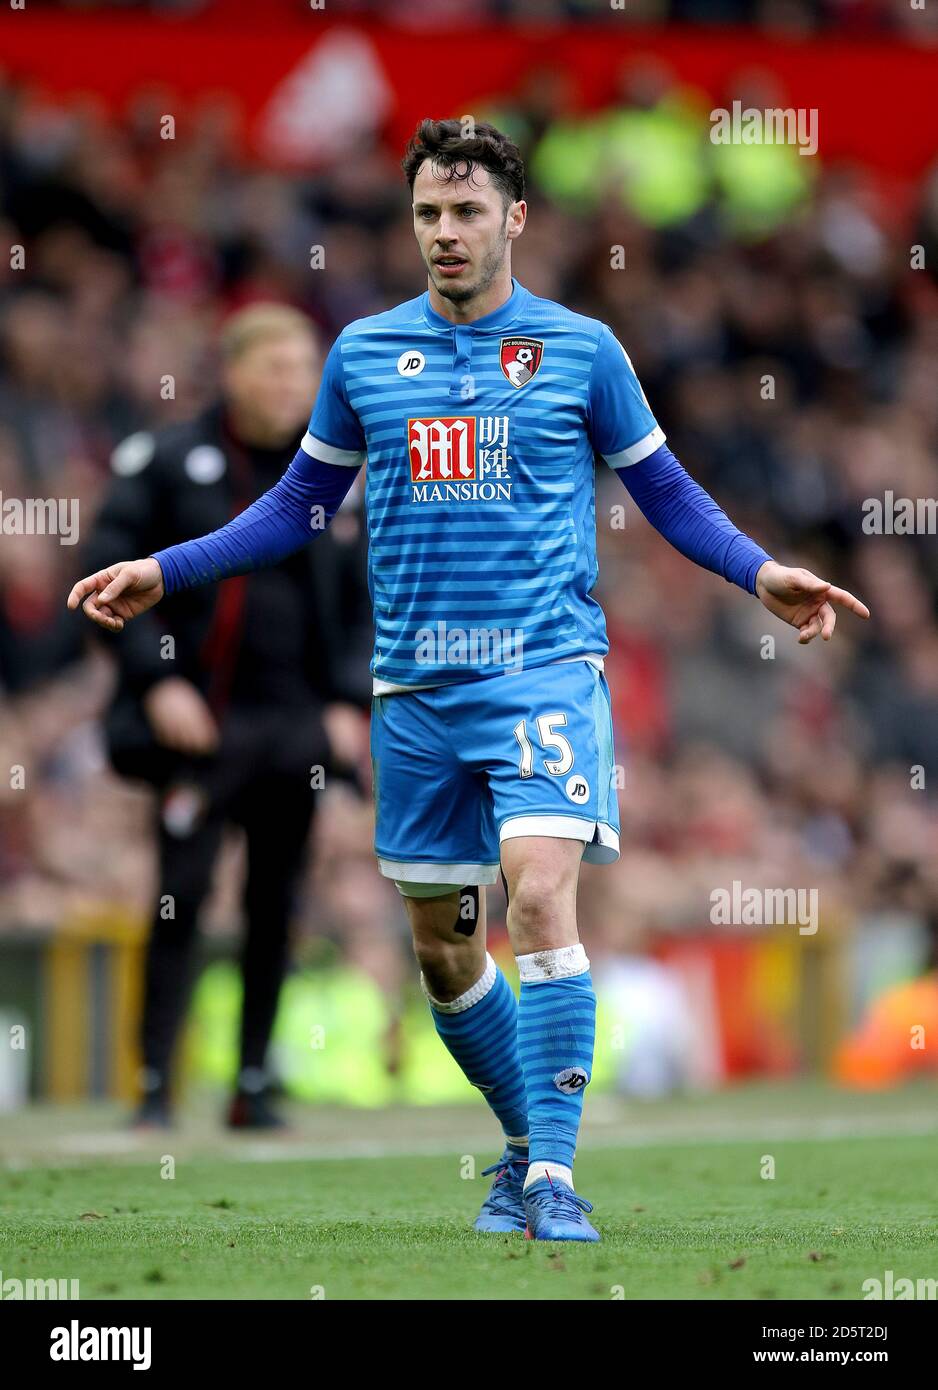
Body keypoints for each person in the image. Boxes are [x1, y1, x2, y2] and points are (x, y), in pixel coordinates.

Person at [68, 121, 869, 1236]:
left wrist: (759, 571)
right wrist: (168, 566)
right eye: (428, 216)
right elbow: (297, 508)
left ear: (515, 220)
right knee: (446, 949)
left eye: (467, 212)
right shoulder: (360, 356)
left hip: (541, 670)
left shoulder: (582, 350)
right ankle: (519, 1143)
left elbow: (667, 493)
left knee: (536, 893)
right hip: (413, 696)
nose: (445, 233)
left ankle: (551, 1175)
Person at [80, 303, 371, 1129]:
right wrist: (155, 682)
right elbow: (105, 576)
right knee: (181, 893)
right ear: (233, 371)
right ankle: (154, 1086)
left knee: (277, 903)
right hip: (201, 724)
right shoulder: (167, 461)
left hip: (295, 726)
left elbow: (363, 604)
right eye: (275, 369)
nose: (291, 386)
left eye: (301, 370)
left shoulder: (335, 476)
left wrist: (349, 705)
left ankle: (251, 1082)